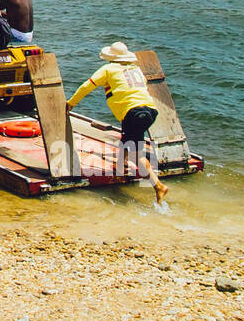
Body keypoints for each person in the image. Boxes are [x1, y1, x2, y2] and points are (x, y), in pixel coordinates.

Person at [66, 41, 169, 205]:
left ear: (110, 57)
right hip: (149, 110)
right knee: (127, 138)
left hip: (133, 113)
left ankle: (157, 185)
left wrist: (71, 103)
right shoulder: (135, 69)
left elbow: (87, 86)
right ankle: (121, 170)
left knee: (137, 152)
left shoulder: (108, 69)